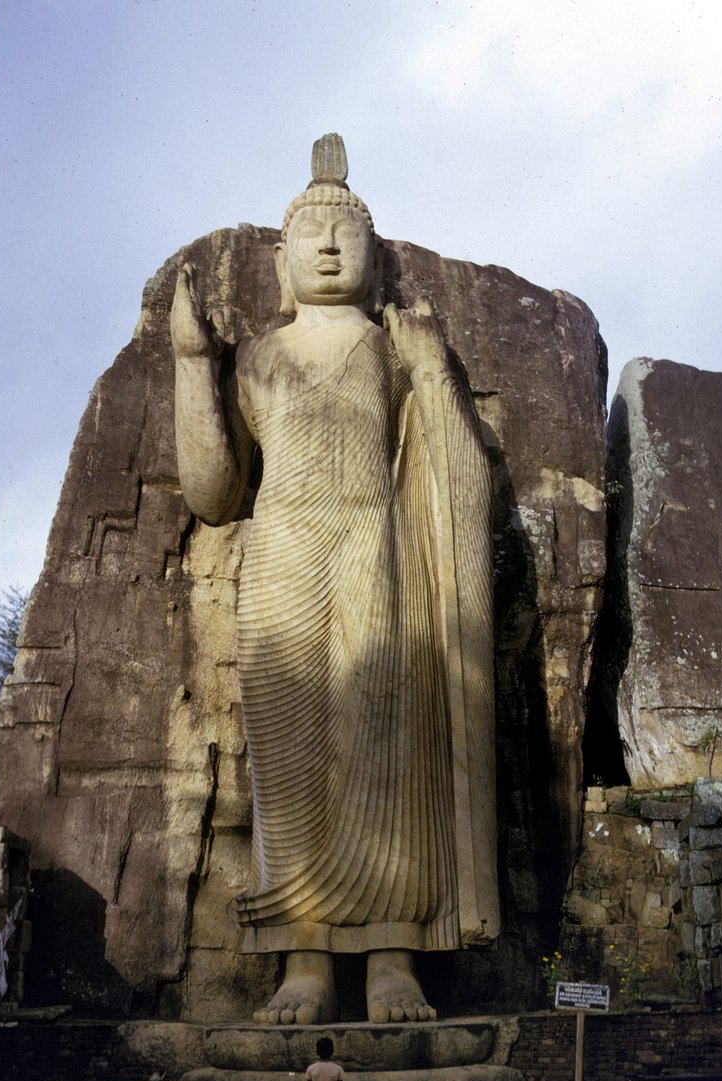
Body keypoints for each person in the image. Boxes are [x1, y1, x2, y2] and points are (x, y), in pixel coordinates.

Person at [171, 134, 499, 1025]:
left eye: (344, 234)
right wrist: (193, 364)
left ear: (374, 260)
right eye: (309, 235)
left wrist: (428, 367)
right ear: (281, 262)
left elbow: (447, 467)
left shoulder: (393, 347)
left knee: (384, 744)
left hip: (373, 550)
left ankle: (393, 957)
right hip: (282, 552)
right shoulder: (260, 357)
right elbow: (213, 494)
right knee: (288, 761)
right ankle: (305, 964)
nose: (326, 245)